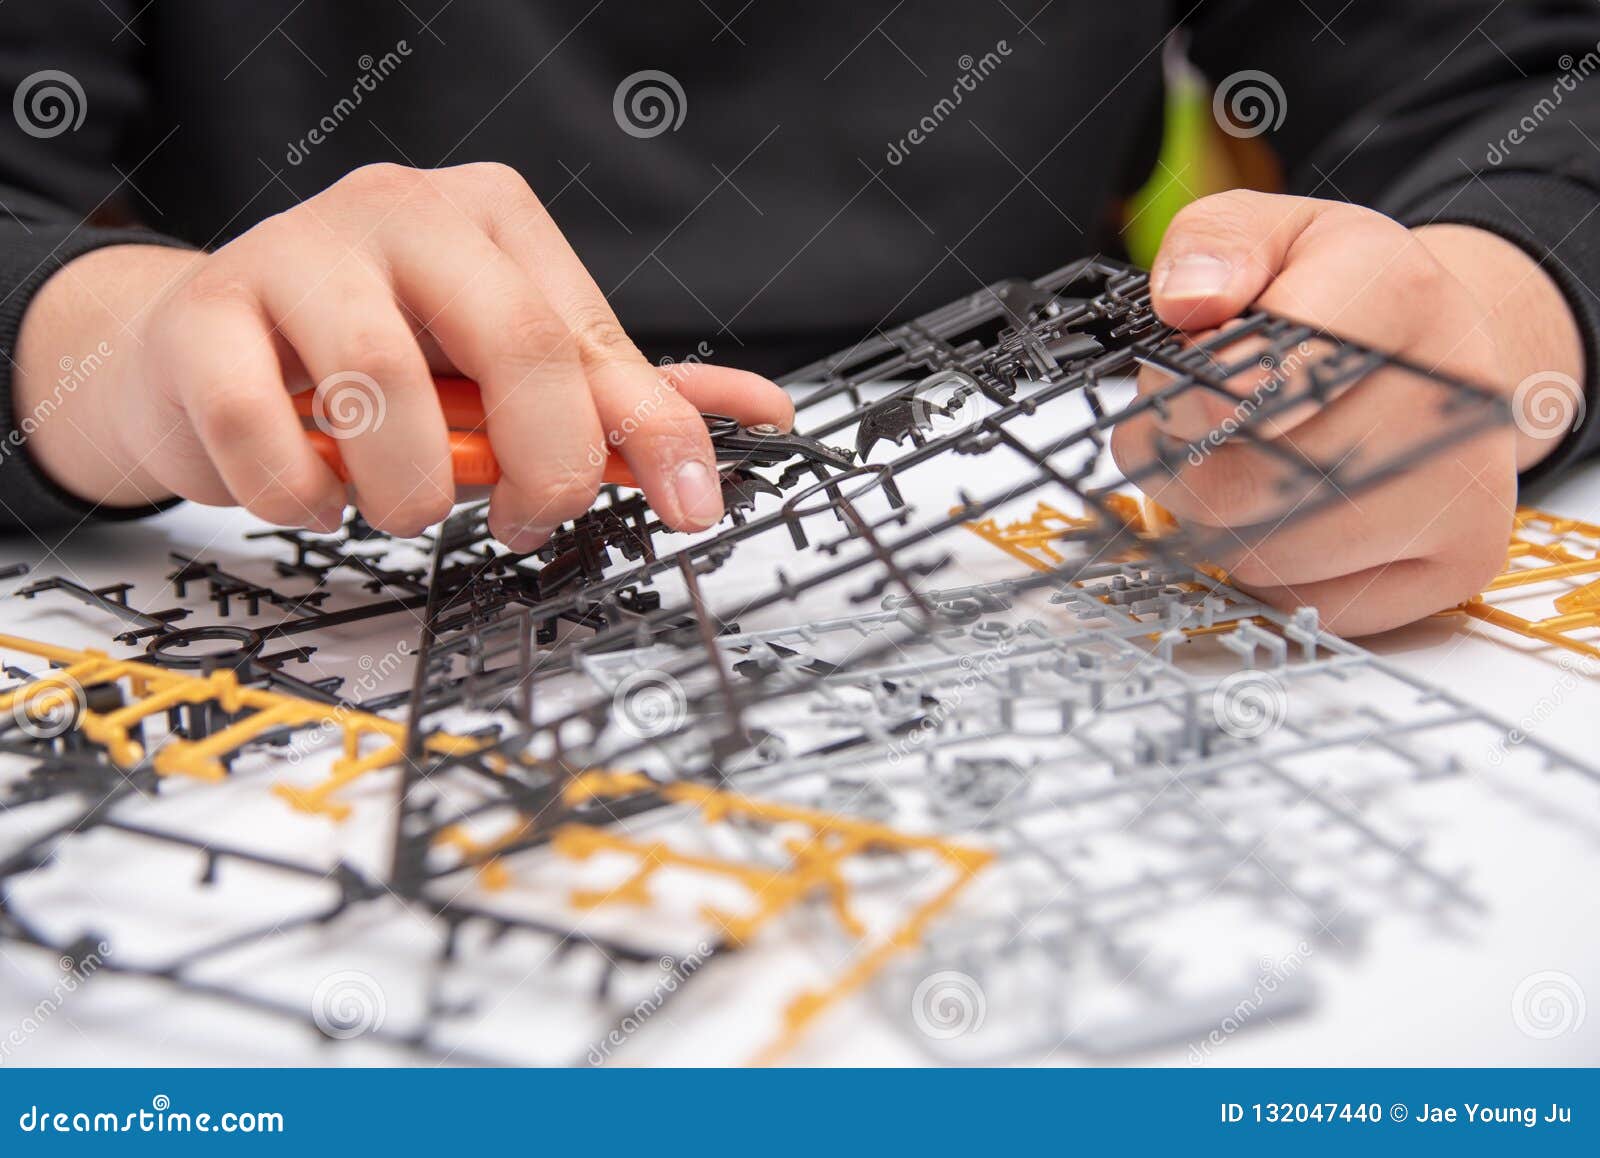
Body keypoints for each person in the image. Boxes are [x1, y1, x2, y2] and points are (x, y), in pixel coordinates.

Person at [1, 2, 1596, 636]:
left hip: (1080, 478)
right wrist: (129, 349)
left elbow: (1525, 82)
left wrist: (1481, 316)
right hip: (284, 476)